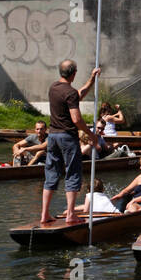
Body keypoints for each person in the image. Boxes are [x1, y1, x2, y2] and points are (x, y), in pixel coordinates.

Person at [39, 59, 101, 224]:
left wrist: (91, 79)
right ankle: (71, 214)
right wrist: (91, 134)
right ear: (74, 73)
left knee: (51, 174)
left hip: (52, 137)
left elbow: (76, 95)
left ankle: (44, 214)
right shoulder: (70, 92)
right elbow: (76, 118)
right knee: (73, 174)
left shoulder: (53, 88)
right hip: (67, 137)